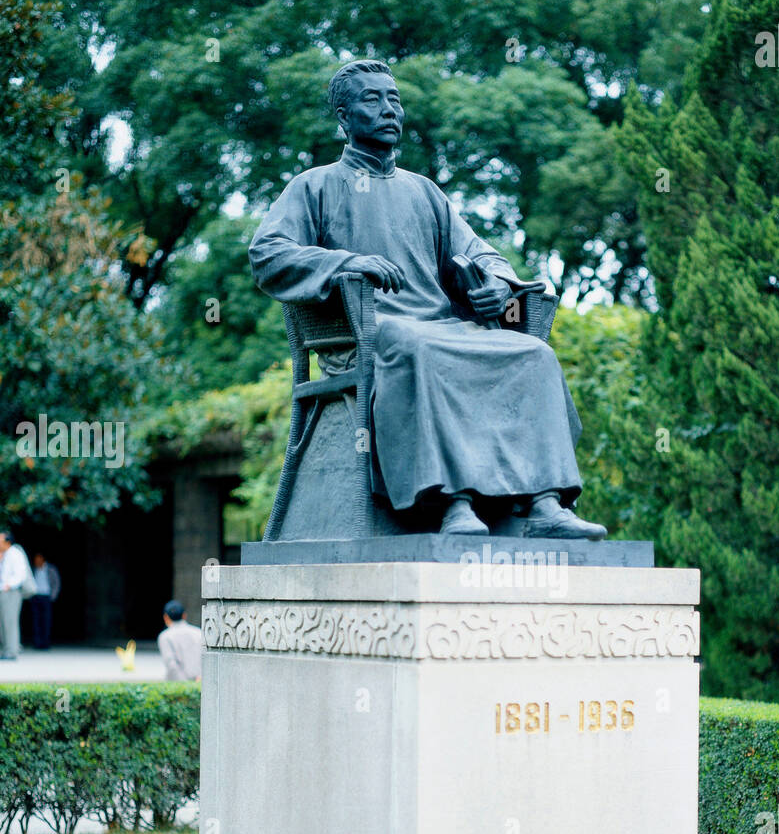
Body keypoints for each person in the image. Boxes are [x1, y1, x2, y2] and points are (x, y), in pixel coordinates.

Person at [248, 58, 607, 540]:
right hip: (366, 333)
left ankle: (544, 503)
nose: (387, 109)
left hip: (440, 325)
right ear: (343, 116)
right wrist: (344, 263)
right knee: (421, 349)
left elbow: (482, 254)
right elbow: (267, 254)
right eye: (371, 100)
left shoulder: (425, 192)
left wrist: (495, 285)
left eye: (393, 99)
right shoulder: (313, 186)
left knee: (533, 353)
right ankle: (452, 503)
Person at [0, 530, 32, 661]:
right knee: (2, 623)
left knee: (10, 622)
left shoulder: (15, 554)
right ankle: (6, 649)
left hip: (12, 592)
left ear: (8, 542)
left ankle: (12, 651)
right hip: (3, 591)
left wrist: (10, 585)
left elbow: (21, 574)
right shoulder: (4, 555)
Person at [158, 600, 203, 682]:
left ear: (166, 617)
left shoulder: (165, 636)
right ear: (184, 615)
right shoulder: (198, 632)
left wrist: (184, 685)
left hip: (178, 685)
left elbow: (171, 664)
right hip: (199, 681)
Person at [30, 552, 61, 650]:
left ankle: (45, 643)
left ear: (43, 559)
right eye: (35, 560)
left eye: (38, 559)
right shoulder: (33, 569)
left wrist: (53, 596)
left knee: (46, 621)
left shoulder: (50, 569)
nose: (36, 562)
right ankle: (37, 642)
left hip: (46, 597)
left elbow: (56, 582)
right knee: (36, 621)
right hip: (36, 596)